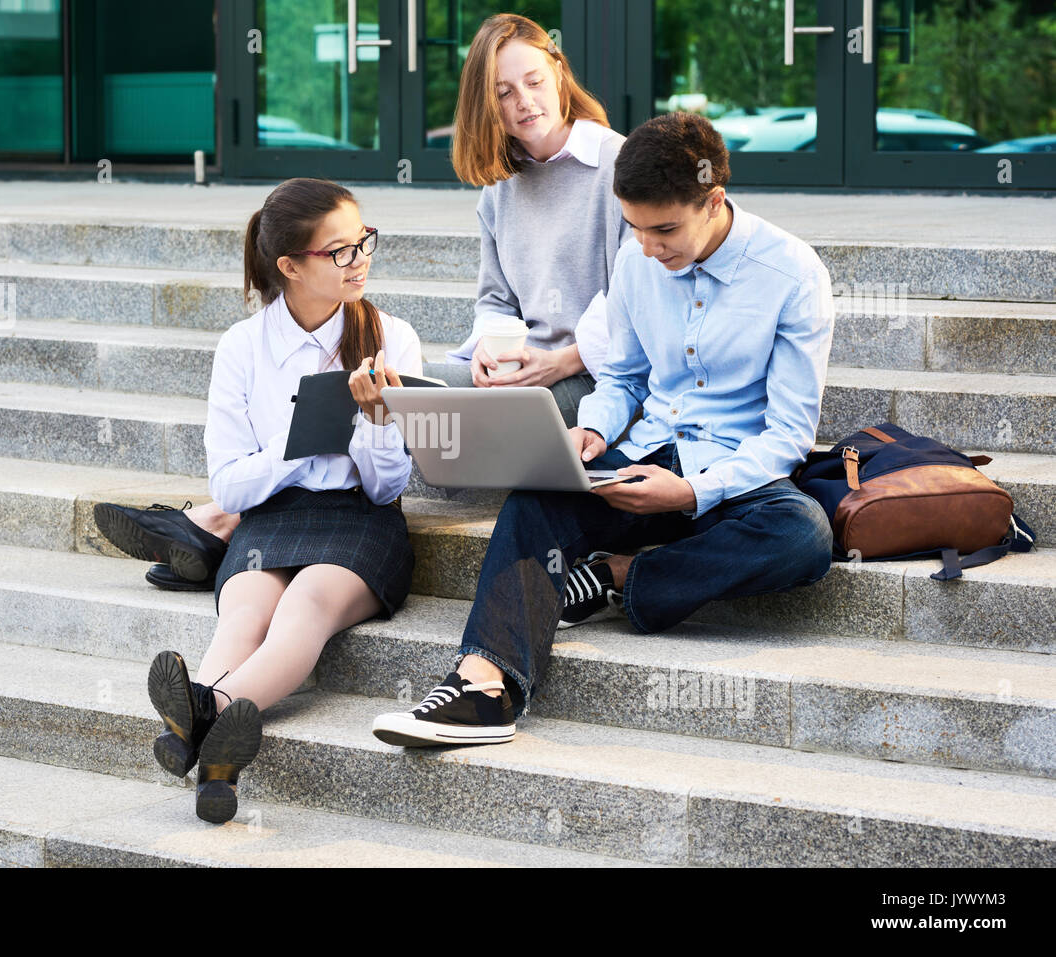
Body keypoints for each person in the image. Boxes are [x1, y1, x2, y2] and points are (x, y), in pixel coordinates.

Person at [373, 113, 837, 747]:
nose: (649, 247)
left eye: (665, 229)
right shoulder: (637, 258)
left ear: (714, 201)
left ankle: (616, 576)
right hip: (644, 453)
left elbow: (787, 435)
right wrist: (591, 431)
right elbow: (622, 378)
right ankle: (484, 685)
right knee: (538, 492)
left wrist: (692, 492)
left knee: (803, 534)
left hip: (732, 476)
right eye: (637, 228)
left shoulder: (793, 275)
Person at [146, 179, 423, 821]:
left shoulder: (391, 337)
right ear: (291, 266)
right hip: (271, 515)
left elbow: (387, 488)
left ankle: (196, 713)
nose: (360, 261)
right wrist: (300, 442)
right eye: (340, 252)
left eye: (363, 243)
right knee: (243, 611)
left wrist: (378, 424)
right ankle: (216, 758)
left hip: (360, 523)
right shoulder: (243, 347)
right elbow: (229, 487)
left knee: (301, 607)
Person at [423, 13, 628, 429]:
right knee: (412, 396)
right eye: (504, 92)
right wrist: (487, 347)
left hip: (600, 377)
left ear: (559, 73)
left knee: (447, 419)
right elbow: (497, 300)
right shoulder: (500, 186)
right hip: (522, 372)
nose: (525, 102)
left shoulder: (619, 165)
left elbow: (641, 302)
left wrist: (561, 362)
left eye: (534, 82)